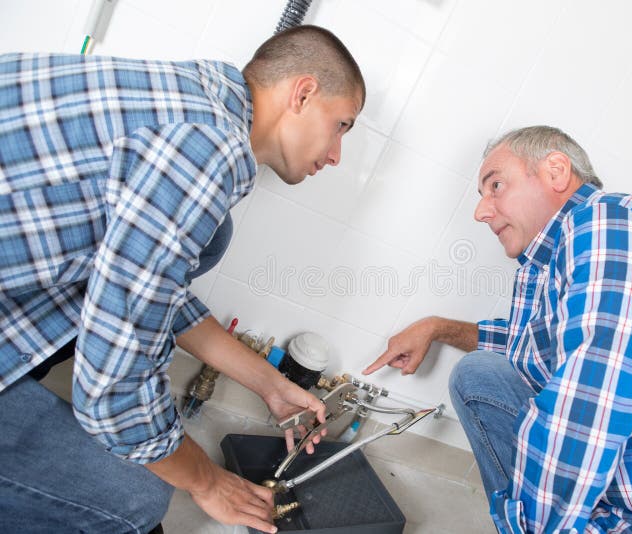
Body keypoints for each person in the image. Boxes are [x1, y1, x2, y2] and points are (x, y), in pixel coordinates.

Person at [0, 25, 364, 533]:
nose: (335, 156)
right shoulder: (207, 148)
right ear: (302, 93)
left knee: (212, 236)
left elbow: (147, 284)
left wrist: (270, 384)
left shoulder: (200, 98)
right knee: (136, 501)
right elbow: (111, 393)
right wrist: (207, 483)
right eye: (341, 125)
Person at [364, 126, 632, 533]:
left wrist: (532, 524)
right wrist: (437, 327)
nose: (481, 211)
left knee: (507, 393)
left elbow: (593, 399)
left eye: (495, 185)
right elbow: (525, 344)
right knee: (480, 373)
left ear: (555, 171)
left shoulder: (611, 221)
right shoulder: (557, 261)